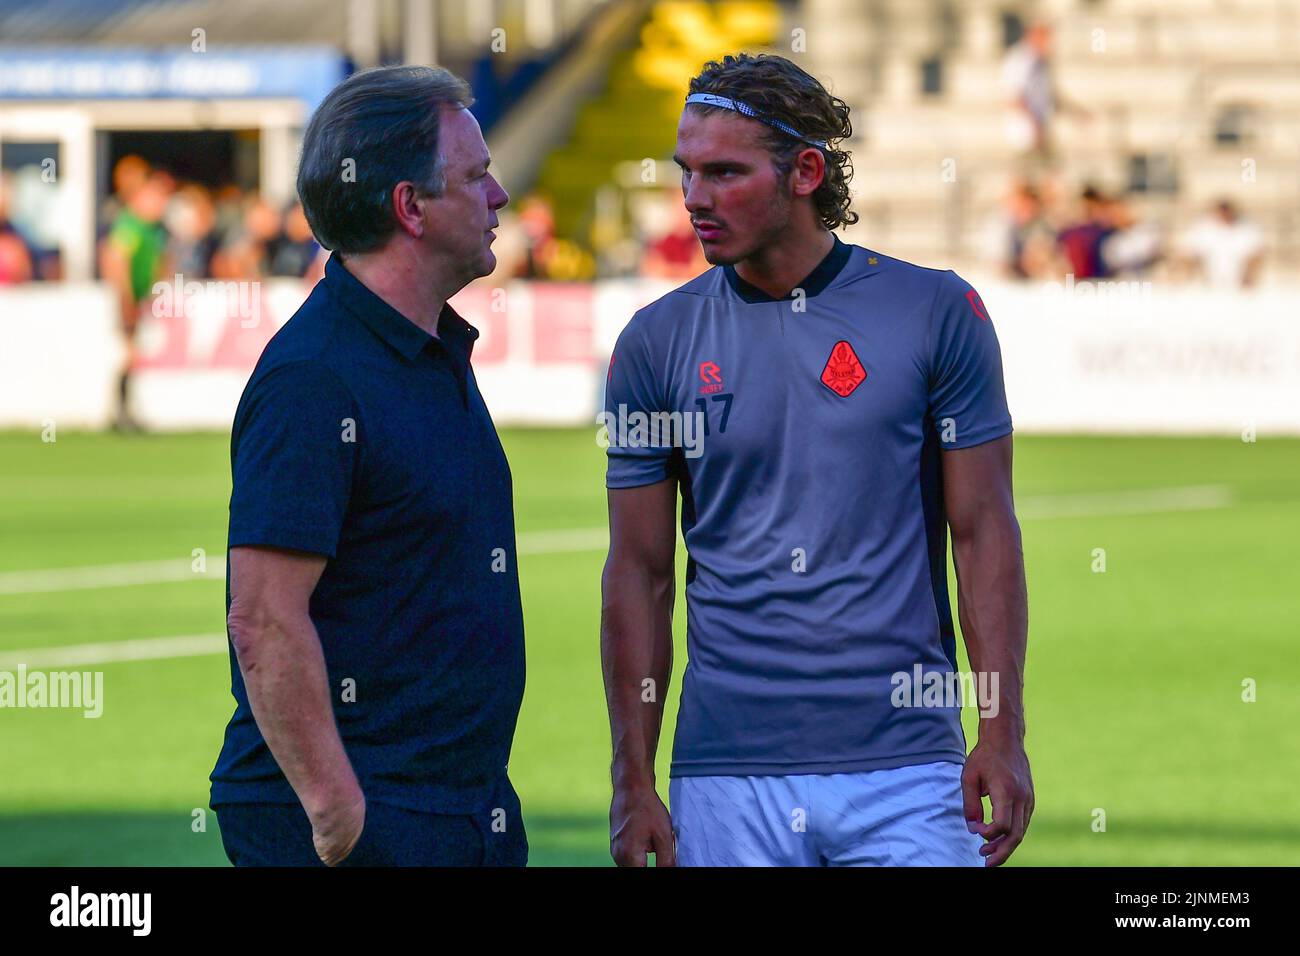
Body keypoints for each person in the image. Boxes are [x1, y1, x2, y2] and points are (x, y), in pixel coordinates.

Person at [600, 53, 1032, 867]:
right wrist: (633, 778)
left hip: (909, 771)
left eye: (725, 173)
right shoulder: (652, 345)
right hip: (725, 776)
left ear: (804, 172)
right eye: (687, 172)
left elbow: (983, 534)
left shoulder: (939, 311)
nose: (695, 198)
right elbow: (638, 572)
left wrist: (1001, 731)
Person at [209, 64, 525, 867]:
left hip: (456, 804)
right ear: (409, 206)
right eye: (477, 175)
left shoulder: (427, 349)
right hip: (365, 817)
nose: (500, 197)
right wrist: (338, 811)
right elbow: (264, 617)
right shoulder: (316, 376)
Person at [100, 168, 173, 431]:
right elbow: (116, 261)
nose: (161, 204)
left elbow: (158, 263)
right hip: (126, 299)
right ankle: (120, 412)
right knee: (128, 355)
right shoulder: (130, 224)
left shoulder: (153, 229)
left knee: (133, 355)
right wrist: (126, 299)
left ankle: (124, 411)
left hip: (138, 300)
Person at [1177, 199, 1264, 289]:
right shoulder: (1203, 229)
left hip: (1240, 284)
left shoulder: (1247, 229)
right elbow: (1187, 253)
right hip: (1207, 284)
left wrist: (1248, 276)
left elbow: (1257, 254)